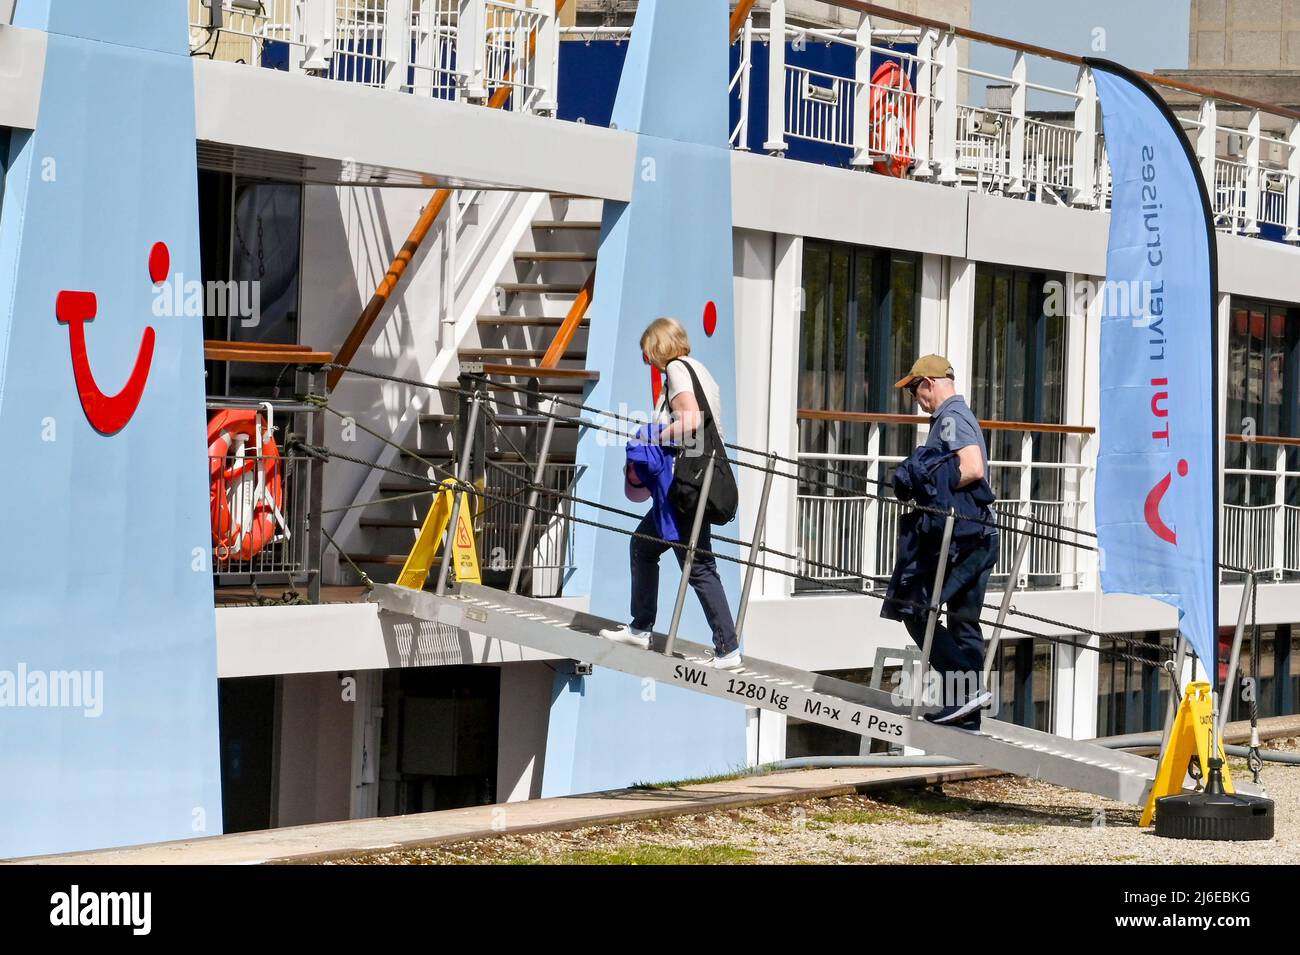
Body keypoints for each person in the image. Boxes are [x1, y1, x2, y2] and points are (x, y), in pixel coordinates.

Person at [600, 317, 742, 670]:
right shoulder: (700, 370)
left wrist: (653, 436)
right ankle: (643, 627)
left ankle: (727, 648)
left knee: (697, 566)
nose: (648, 359)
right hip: (700, 480)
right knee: (646, 546)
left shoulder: (677, 369)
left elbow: (691, 423)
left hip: (684, 483)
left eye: (648, 351)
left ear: (659, 345)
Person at [892, 355, 1000, 729]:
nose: (915, 399)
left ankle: (968, 695)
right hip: (982, 536)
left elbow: (972, 467)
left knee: (914, 608)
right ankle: (966, 713)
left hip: (968, 541)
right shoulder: (959, 414)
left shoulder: (951, 418)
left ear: (929, 383)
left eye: (914, 390)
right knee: (963, 623)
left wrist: (927, 486)